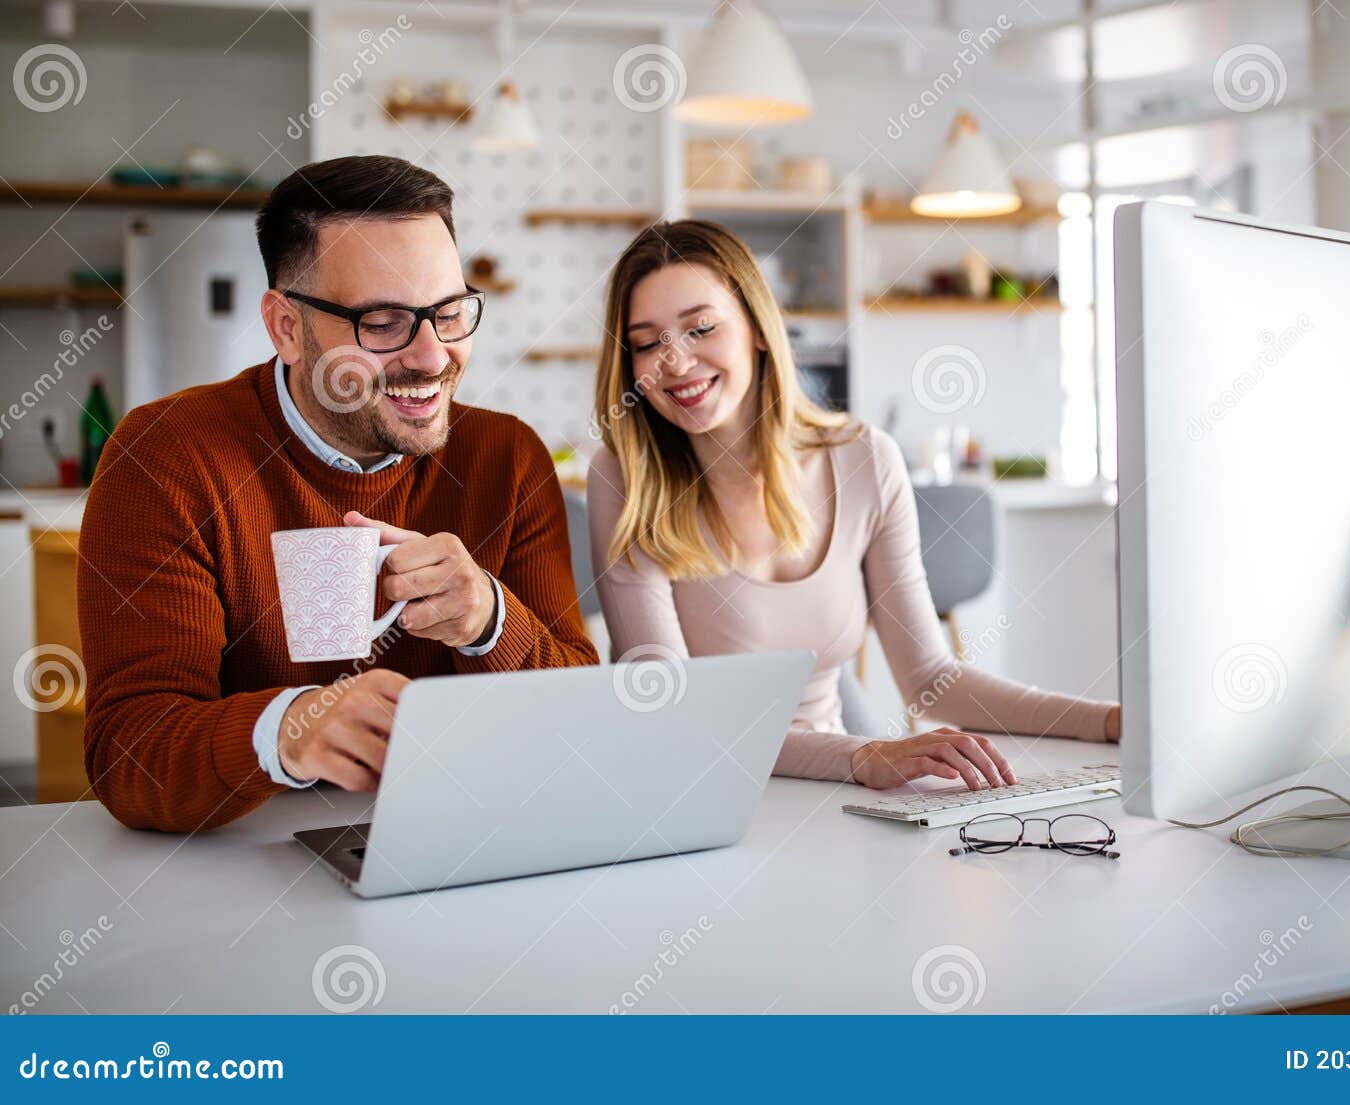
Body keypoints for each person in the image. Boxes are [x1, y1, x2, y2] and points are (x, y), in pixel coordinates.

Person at [78, 155, 597, 832]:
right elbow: (131, 753)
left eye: (448, 312)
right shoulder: (165, 458)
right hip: (240, 866)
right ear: (287, 327)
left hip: (463, 848)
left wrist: (490, 620)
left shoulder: (507, 458)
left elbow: (582, 723)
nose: (433, 356)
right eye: (383, 323)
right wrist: (286, 732)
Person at [586, 220, 1117, 791]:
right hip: (700, 794)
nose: (676, 361)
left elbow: (931, 678)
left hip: (834, 798)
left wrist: (1109, 722)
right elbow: (669, 707)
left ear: (758, 328)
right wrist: (862, 757)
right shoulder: (625, 480)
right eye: (647, 343)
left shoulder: (864, 460)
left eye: (701, 328)